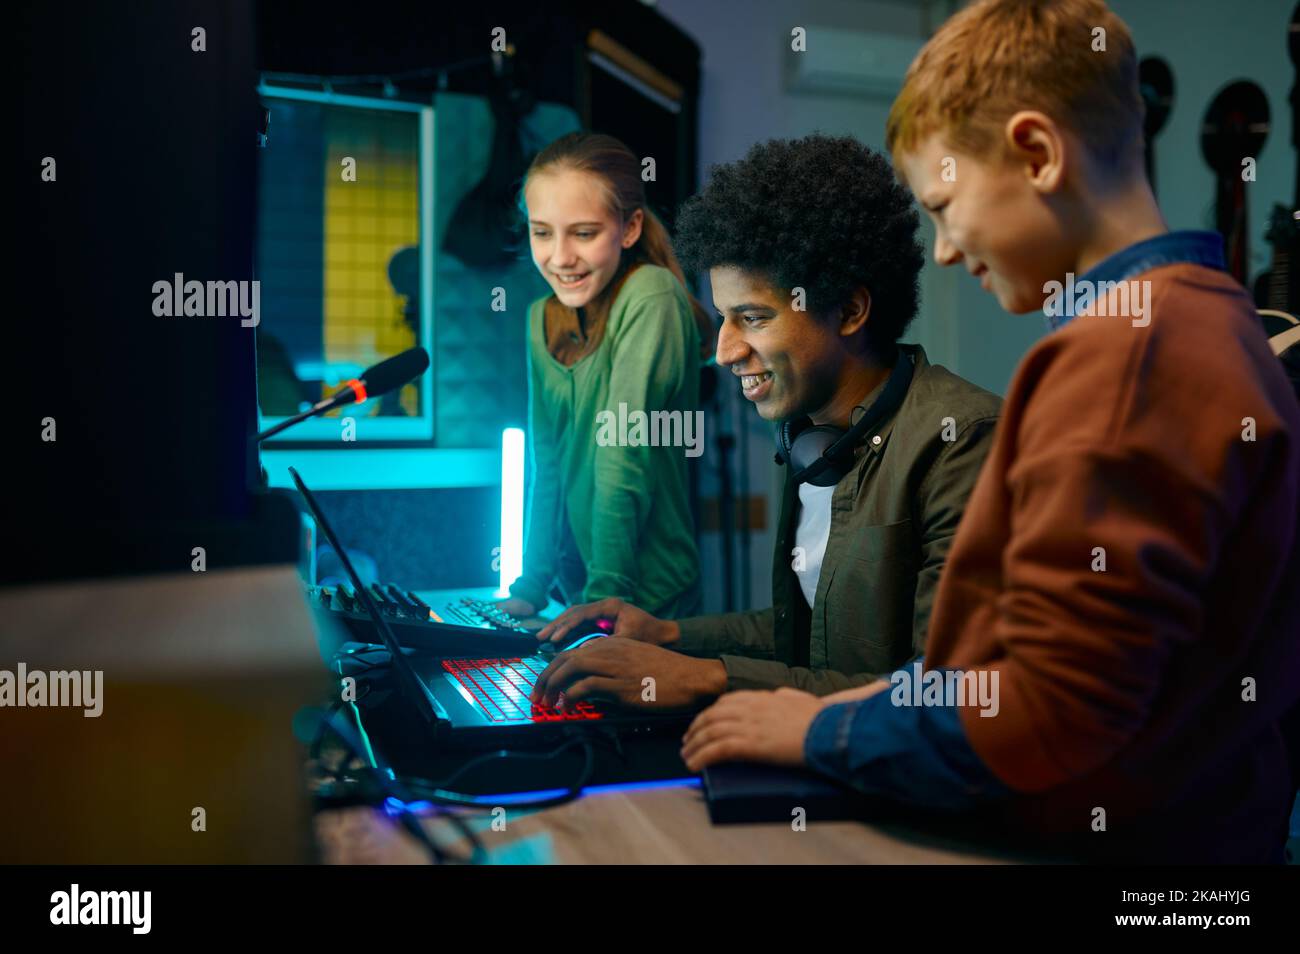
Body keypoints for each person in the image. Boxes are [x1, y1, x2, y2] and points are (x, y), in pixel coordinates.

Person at [680, 0, 1300, 864]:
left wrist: (823, 731)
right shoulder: (1205, 319)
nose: (939, 248)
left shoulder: (1129, 353)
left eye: (944, 203)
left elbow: (1049, 708)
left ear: (1039, 154)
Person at [530, 135, 1000, 712]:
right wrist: (668, 635)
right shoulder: (813, 441)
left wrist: (707, 679)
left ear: (850, 311)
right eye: (724, 318)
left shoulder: (963, 441)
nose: (725, 351)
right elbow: (810, 636)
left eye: (752, 318)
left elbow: (946, 697)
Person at [499, 132, 713, 622]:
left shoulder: (651, 296)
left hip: (647, 601)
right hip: (582, 598)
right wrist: (531, 586)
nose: (559, 257)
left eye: (583, 233)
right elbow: (547, 462)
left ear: (630, 227)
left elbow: (625, 451)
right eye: (542, 232)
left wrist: (604, 602)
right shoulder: (540, 319)